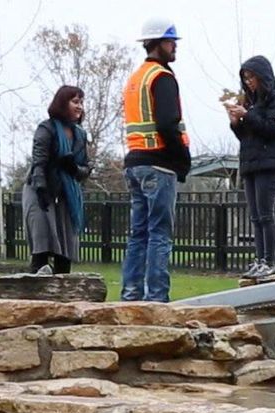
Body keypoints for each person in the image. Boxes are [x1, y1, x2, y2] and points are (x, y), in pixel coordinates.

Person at [121, 17, 191, 302]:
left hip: (135, 162)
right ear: (157, 43)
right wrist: (182, 158)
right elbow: (167, 123)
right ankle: (156, 299)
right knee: (160, 233)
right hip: (159, 164)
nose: (174, 47)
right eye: (170, 41)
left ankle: (131, 295)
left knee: (138, 234)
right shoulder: (162, 77)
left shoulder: (136, 79)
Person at [226, 56, 275, 282]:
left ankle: (269, 262)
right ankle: (259, 258)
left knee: (265, 214)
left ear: (262, 76)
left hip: (269, 165)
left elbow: (273, 129)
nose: (249, 82)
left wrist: (248, 115)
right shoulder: (250, 103)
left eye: (251, 76)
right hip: (250, 165)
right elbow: (247, 136)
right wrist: (236, 123)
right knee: (255, 216)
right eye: (245, 78)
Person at [22, 85, 90, 275]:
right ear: (62, 103)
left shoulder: (80, 135)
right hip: (41, 191)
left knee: (65, 246)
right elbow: (39, 162)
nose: (80, 107)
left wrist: (74, 168)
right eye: (75, 102)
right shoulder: (47, 128)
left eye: (81, 103)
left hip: (66, 194)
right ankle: (35, 290)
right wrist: (41, 188)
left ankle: (63, 294)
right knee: (42, 241)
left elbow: (85, 168)